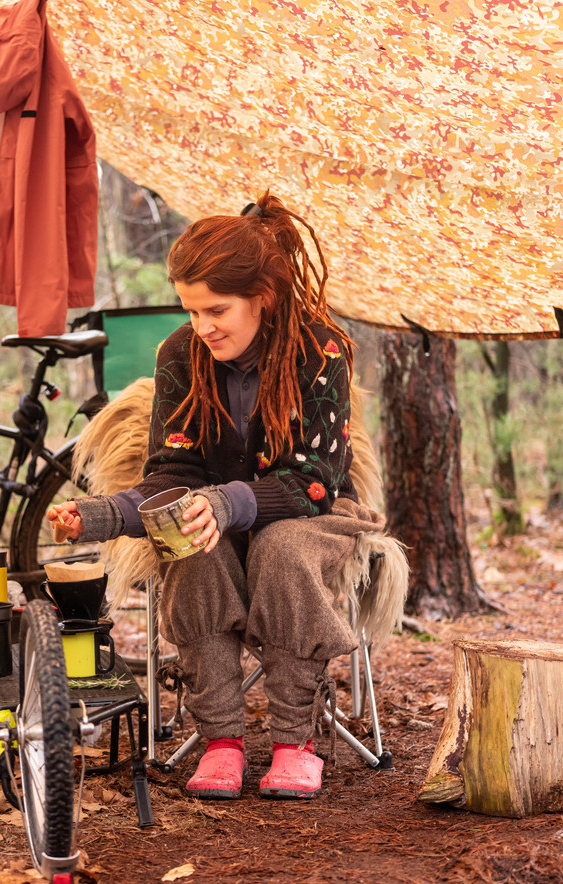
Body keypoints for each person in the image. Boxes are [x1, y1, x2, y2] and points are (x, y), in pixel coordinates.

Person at [48, 192, 391, 800]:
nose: (202, 326)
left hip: (309, 513)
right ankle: (222, 742)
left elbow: (314, 479)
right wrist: (97, 516)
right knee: (189, 549)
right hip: (212, 514)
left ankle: (293, 742)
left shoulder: (320, 351)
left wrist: (227, 503)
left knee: (283, 552)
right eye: (191, 310)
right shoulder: (181, 353)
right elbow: (169, 471)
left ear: (263, 294)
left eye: (216, 309)